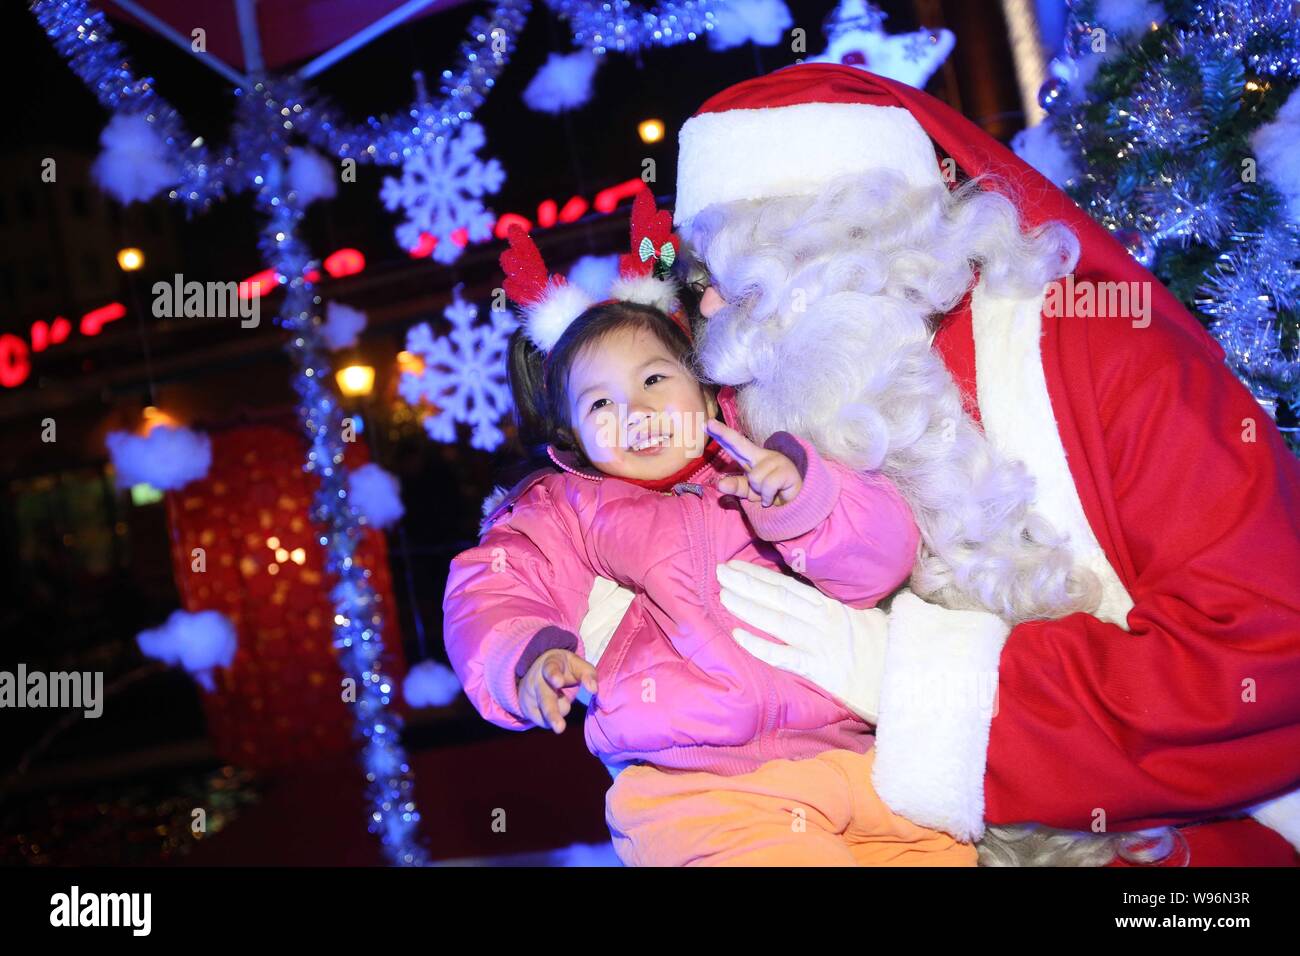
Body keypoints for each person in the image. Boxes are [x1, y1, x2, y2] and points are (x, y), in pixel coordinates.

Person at [654, 63, 1300, 866]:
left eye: (733, 284)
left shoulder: (1107, 361)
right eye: (704, 284)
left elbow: (1264, 665)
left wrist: (899, 677)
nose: (706, 312)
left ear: (838, 245)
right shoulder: (783, 412)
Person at [442, 192, 975, 865]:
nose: (635, 411)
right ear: (573, 434)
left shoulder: (769, 452)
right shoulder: (568, 506)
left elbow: (881, 563)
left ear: (700, 385)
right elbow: (493, 587)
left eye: (654, 379)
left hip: (860, 760)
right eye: (600, 402)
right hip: (697, 793)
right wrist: (527, 656)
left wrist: (801, 501)